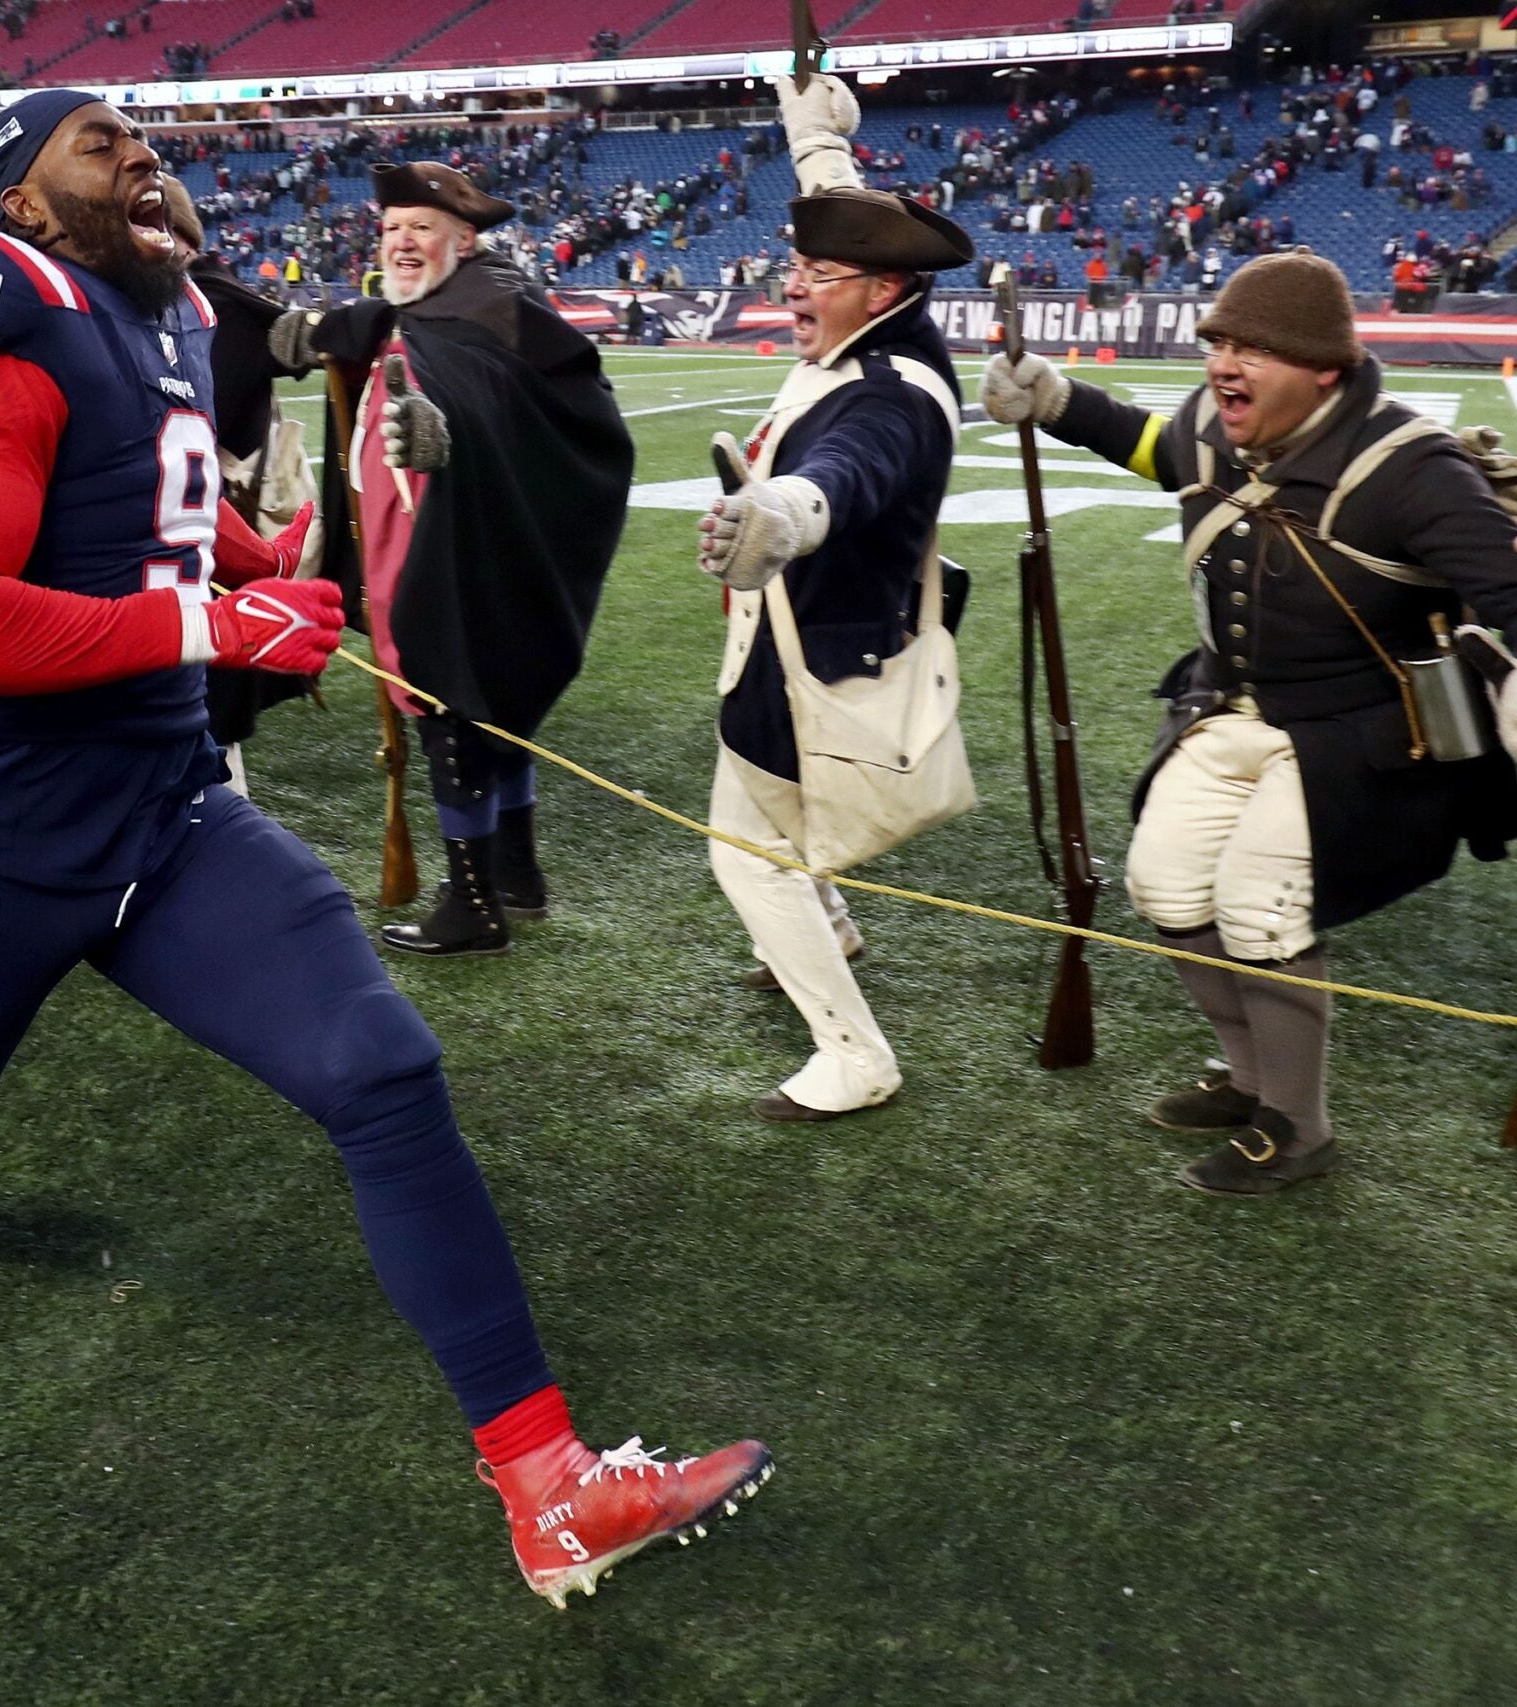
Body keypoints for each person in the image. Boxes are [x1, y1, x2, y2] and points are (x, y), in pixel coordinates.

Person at [0, 91, 771, 1609]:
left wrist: (280, 569)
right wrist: (211, 623)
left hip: (165, 807)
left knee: (383, 1073)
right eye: (99, 145)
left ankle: (546, 1479)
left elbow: (168, 522)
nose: (143, 157)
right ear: (21, 203)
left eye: (144, 139)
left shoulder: (148, 312)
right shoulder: (9, 316)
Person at [984, 252, 1517, 1194]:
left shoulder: (1411, 466)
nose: (1225, 364)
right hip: (1228, 705)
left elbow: (1506, 588)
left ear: (1326, 369)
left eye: (1257, 349)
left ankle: (1298, 1126)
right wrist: (1060, 401)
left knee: (1259, 911)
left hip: (1361, 735)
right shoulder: (1214, 424)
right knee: (1166, 886)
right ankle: (1248, 1078)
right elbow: (1160, 448)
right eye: (1220, 342)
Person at [692, 74, 974, 1122]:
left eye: (818, 274)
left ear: (884, 292)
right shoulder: (877, 328)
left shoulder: (891, 394)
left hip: (815, 656)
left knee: (746, 855)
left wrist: (782, 516)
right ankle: (835, 921)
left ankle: (854, 1055)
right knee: (769, 821)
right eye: (794, 265)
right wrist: (812, 138)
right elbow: (845, 212)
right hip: (800, 638)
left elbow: (843, 473)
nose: (795, 288)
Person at [278, 162, 634, 956]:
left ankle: (473, 905)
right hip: (437, 537)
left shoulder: (492, 310)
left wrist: (450, 430)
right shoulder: (447, 301)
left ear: (463, 241)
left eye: (423, 229)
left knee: (452, 704)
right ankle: (516, 874)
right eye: (392, 228)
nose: (403, 242)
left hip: (460, 550)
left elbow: (486, 394)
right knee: (496, 712)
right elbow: (389, 314)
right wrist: (325, 330)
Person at [158, 174, 319, 797]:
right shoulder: (166, 302)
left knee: (204, 726)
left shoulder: (217, 306)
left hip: (203, 540)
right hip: (186, 542)